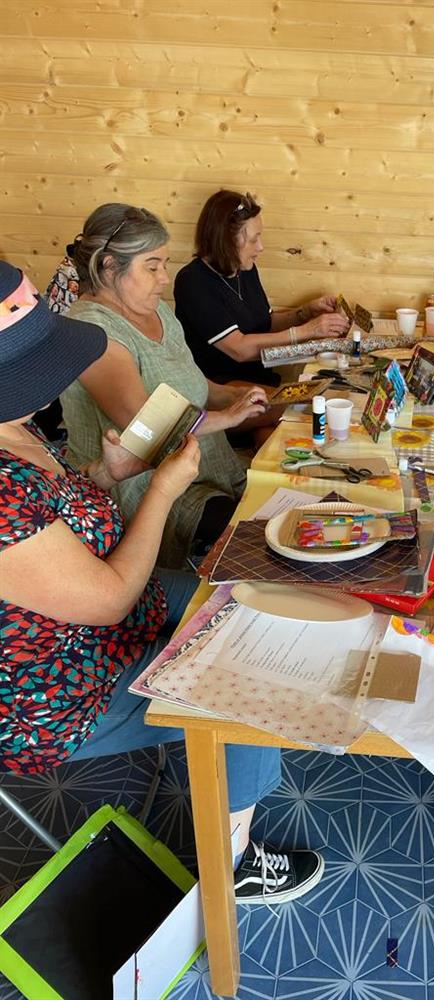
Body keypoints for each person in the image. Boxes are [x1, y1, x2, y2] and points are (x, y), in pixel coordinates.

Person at [0, 260, 323, 903]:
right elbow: (107, 597)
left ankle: (227, 764)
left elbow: (55, 520)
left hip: (101, 619)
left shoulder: (16, 429)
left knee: (244, 598)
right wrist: (162, 490)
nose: (51, 376)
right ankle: (234, 863)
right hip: (50, 689)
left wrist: (107, 471)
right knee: (247, 674)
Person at [61, 203, 270, 569]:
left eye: (165, 264)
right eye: (152, 266)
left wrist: (233, 395)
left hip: (204, 468)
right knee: (260, 546)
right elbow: (145, 424)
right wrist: (226, 417)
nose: (164, 278)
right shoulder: (89, 329)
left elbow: (189, 381)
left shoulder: (157, 310)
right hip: (146, 489)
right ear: (110, 267)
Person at [173, 189, 350, 387]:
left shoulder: (244, 268)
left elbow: (265, 323)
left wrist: (305, 312)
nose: (261, 247)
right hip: (223, 389)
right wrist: (308, 331)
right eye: (253, 239)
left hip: (262, 382)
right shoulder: (193, 282)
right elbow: (239, 349)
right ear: (226, 240)